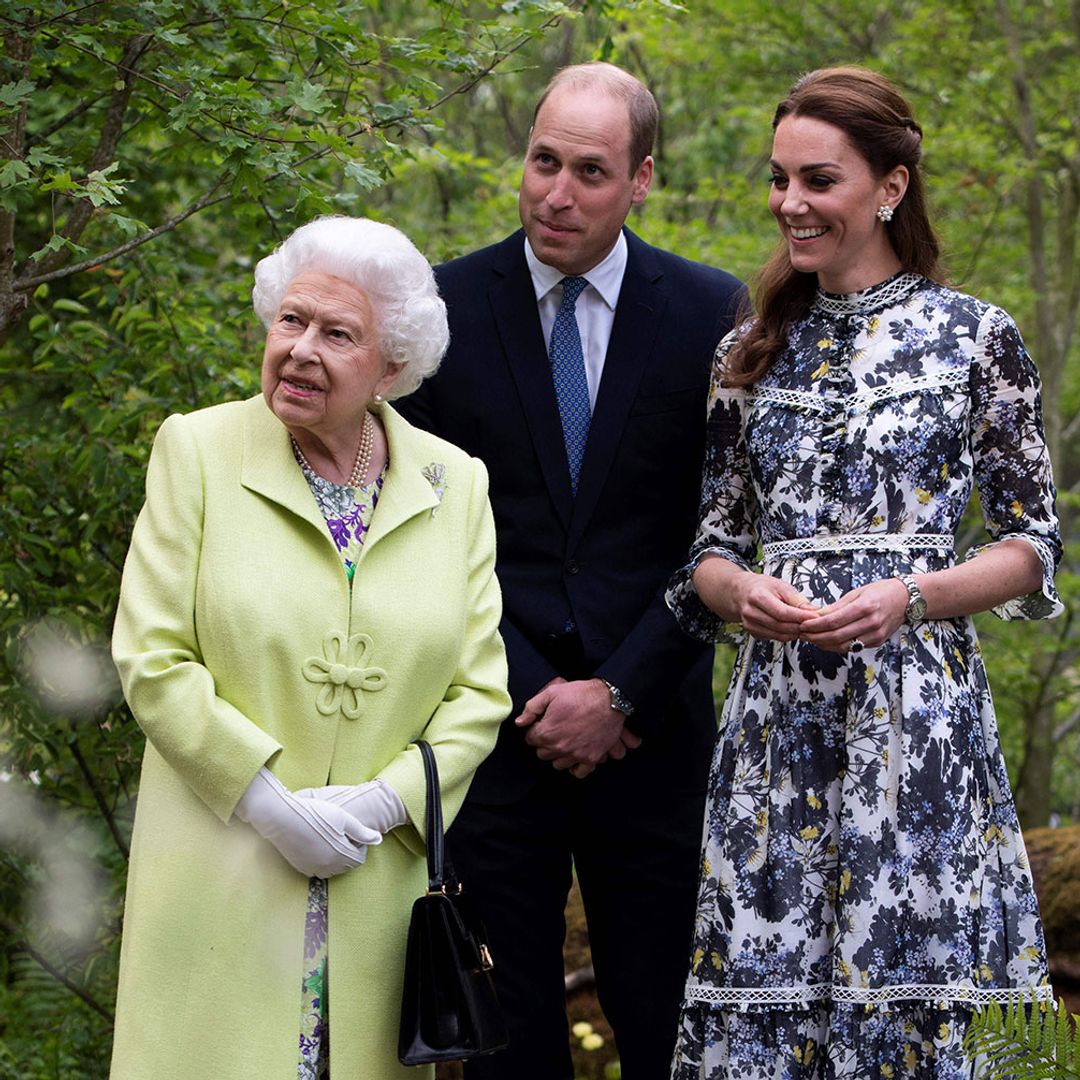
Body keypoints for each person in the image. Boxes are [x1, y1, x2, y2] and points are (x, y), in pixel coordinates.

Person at [666, 66, 1062, 1079]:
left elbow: (1032, 546)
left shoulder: (976, 339)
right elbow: (710, 548)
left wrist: (912, 596)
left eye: (818, 180)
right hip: (777, 726)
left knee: (920, 994)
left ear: (890, 188)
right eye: (779, 179)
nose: (789, 203)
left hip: (918, 722)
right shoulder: (749, 352)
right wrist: (740, 593)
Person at [397, 62, 744, 1079]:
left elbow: (725, 530)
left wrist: (622, 691)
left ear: (642, 180)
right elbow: (414, 532)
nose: (556, 192)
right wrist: (537, 691)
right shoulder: (440, 310)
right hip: (494, 732)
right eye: (543, 161)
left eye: (590, 172)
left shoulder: (712, 312)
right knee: (507, 1045)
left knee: (669, 1029)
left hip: (656, 733)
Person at [109, 216, 510, 1080]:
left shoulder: (455, 483)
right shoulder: (198, 451)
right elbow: (152, 656)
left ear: (391, 367)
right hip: (221, 873)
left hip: (374, 884)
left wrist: (383, 803)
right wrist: (268, 805)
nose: (299, 350)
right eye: (291, 320)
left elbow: (479, 692)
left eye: (337, 334)